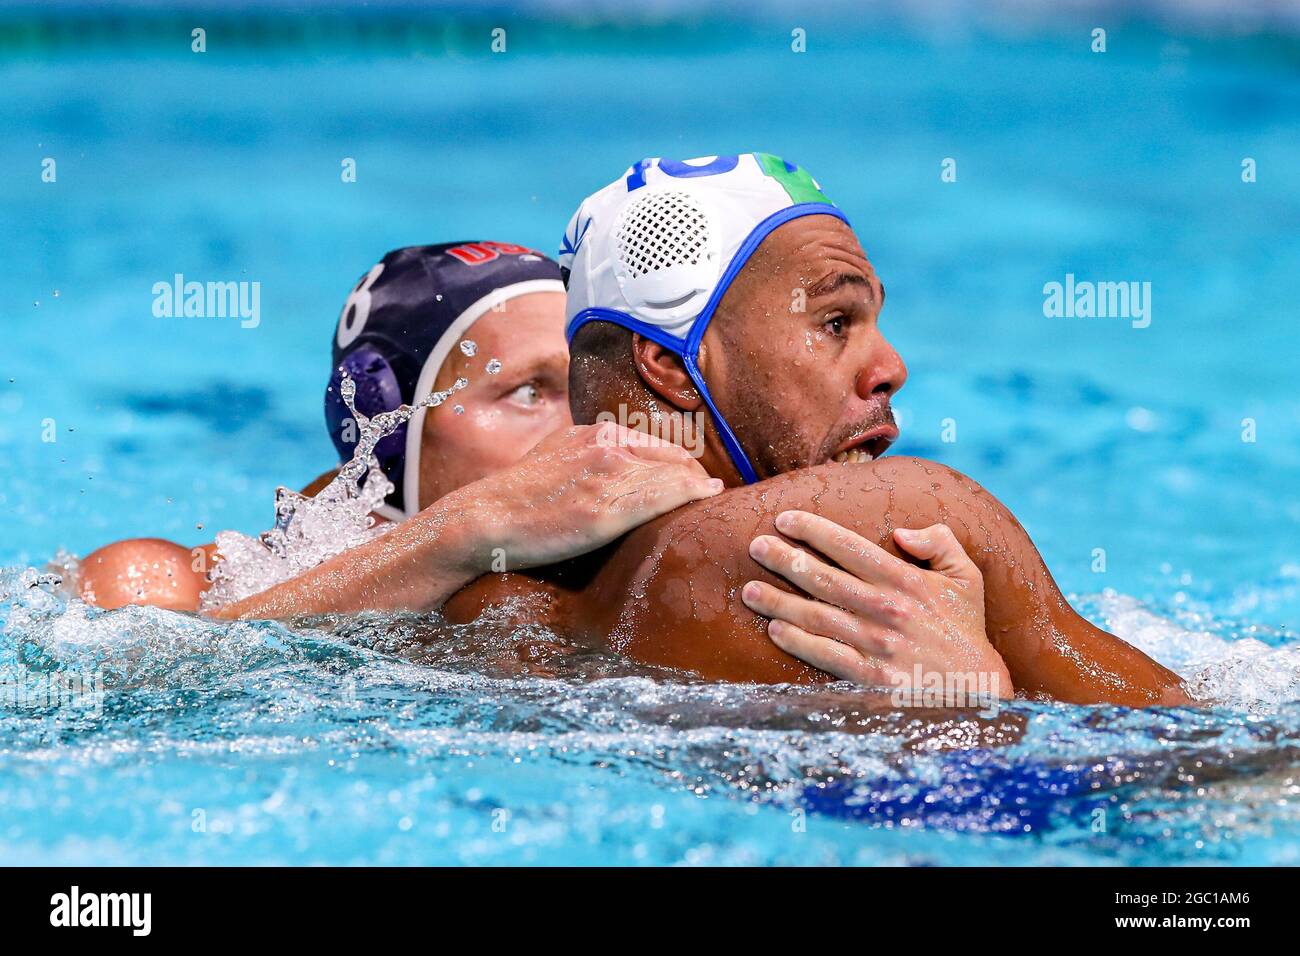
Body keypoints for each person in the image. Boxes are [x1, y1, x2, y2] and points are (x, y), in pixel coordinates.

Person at [430, 153, 1190, 708]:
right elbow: (1227, 775)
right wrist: (979, 704)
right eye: (835, 322)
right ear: (668, 361)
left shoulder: (471, 603)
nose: (890, 367)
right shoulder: (897, 514)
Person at [76, 242, 723, 613]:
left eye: (583, 388)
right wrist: (460, 533)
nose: (580, 425)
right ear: (385, 429)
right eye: (528, 391)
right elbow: (120, 688)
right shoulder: (163, 582)